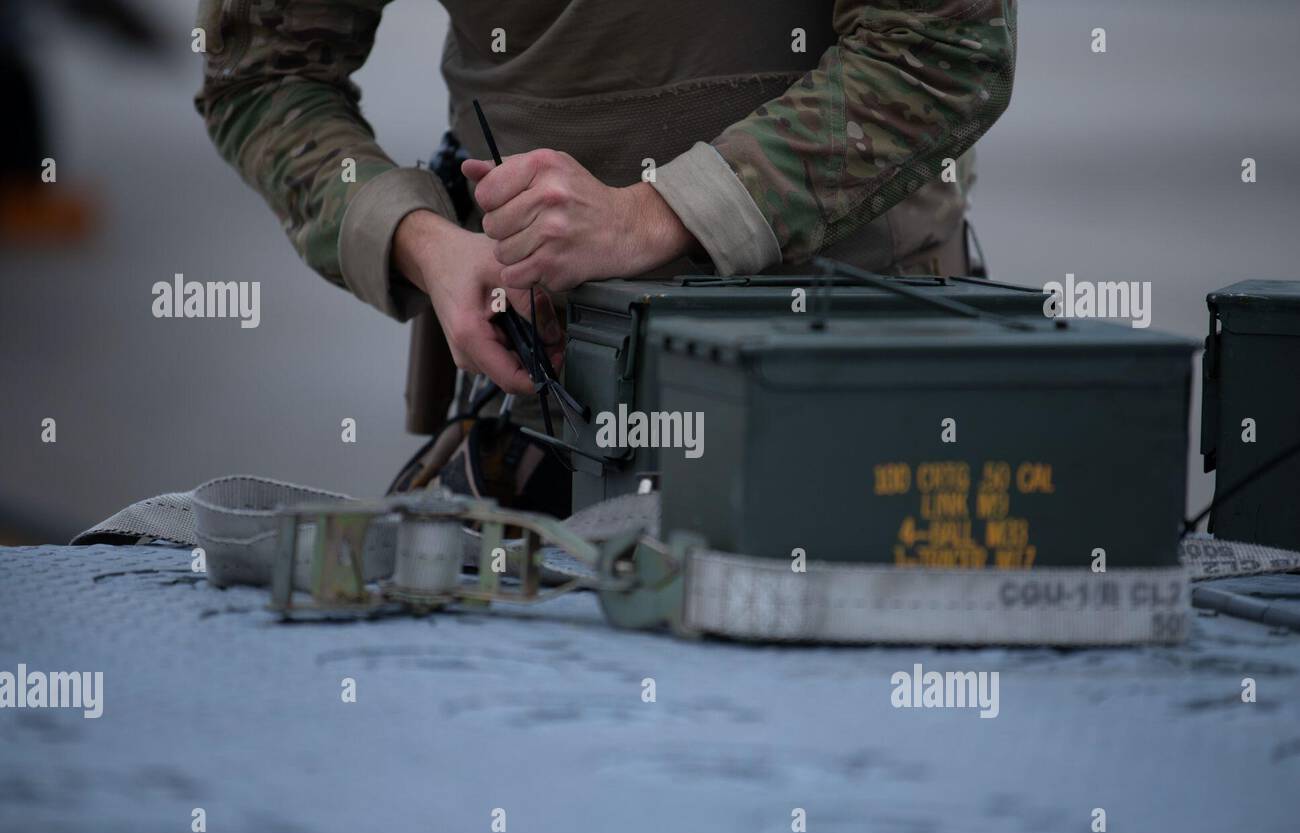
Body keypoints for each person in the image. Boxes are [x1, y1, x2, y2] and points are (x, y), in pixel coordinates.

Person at [195, 0, 1017, 511]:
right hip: (544, 413)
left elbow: (940, 54)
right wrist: (423, 243)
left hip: (854, 391)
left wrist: (654, 214)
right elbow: (263, 79)